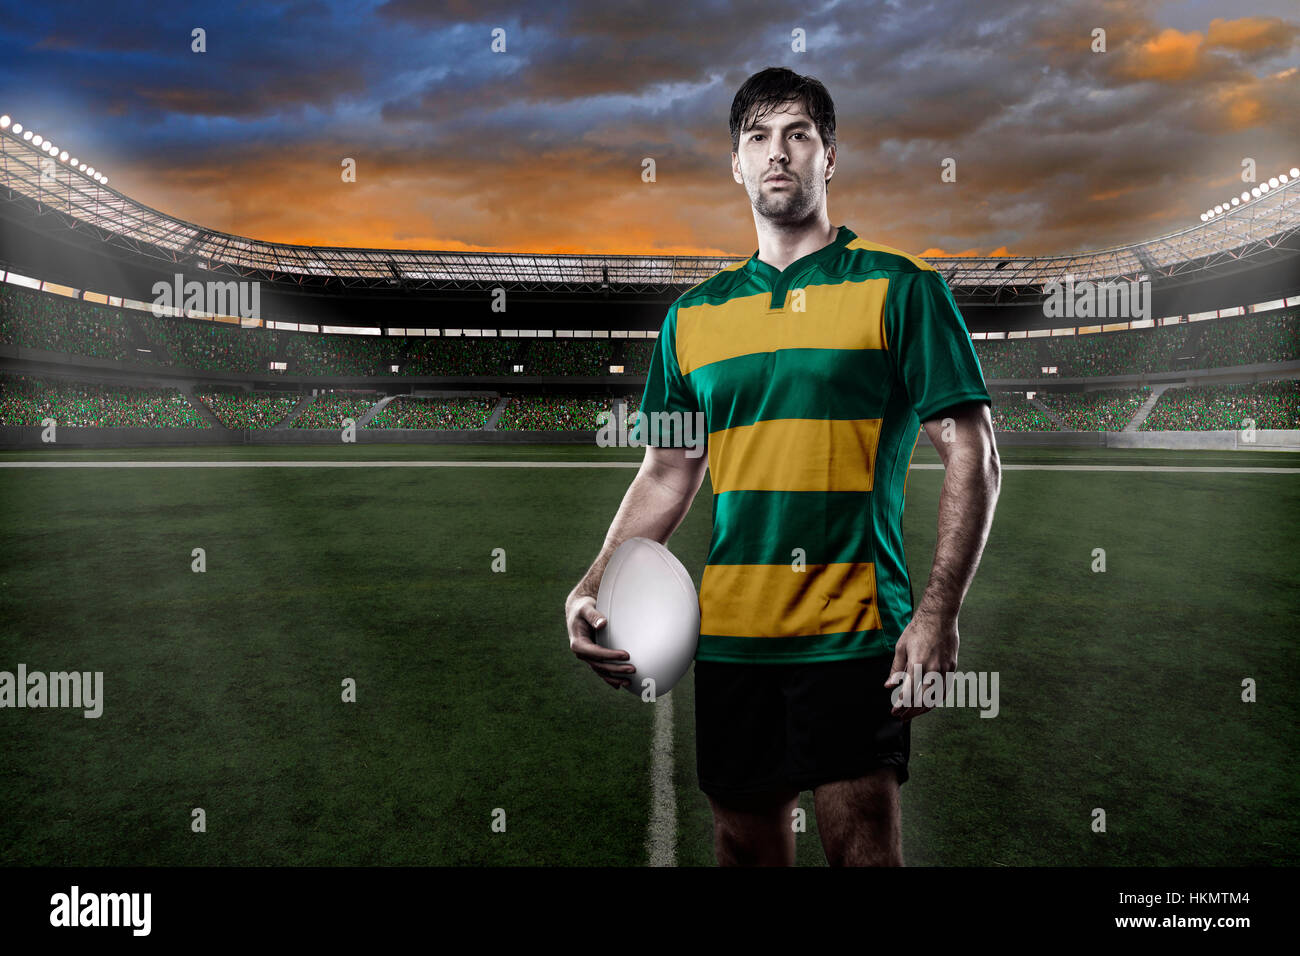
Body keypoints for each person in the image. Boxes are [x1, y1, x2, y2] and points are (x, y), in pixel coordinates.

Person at [565, 66, 1000, 866]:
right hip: (731, 640)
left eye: (798, 134)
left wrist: (938, 613)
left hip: (852, 633)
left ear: (828, 155)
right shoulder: (693, 315)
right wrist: (594, 581)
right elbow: (668, 469)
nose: (778, 152)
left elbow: (971, 451)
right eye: (757, 137)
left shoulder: (902, 288)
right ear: (735, 164)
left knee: (862, 850)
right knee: (742, 848)